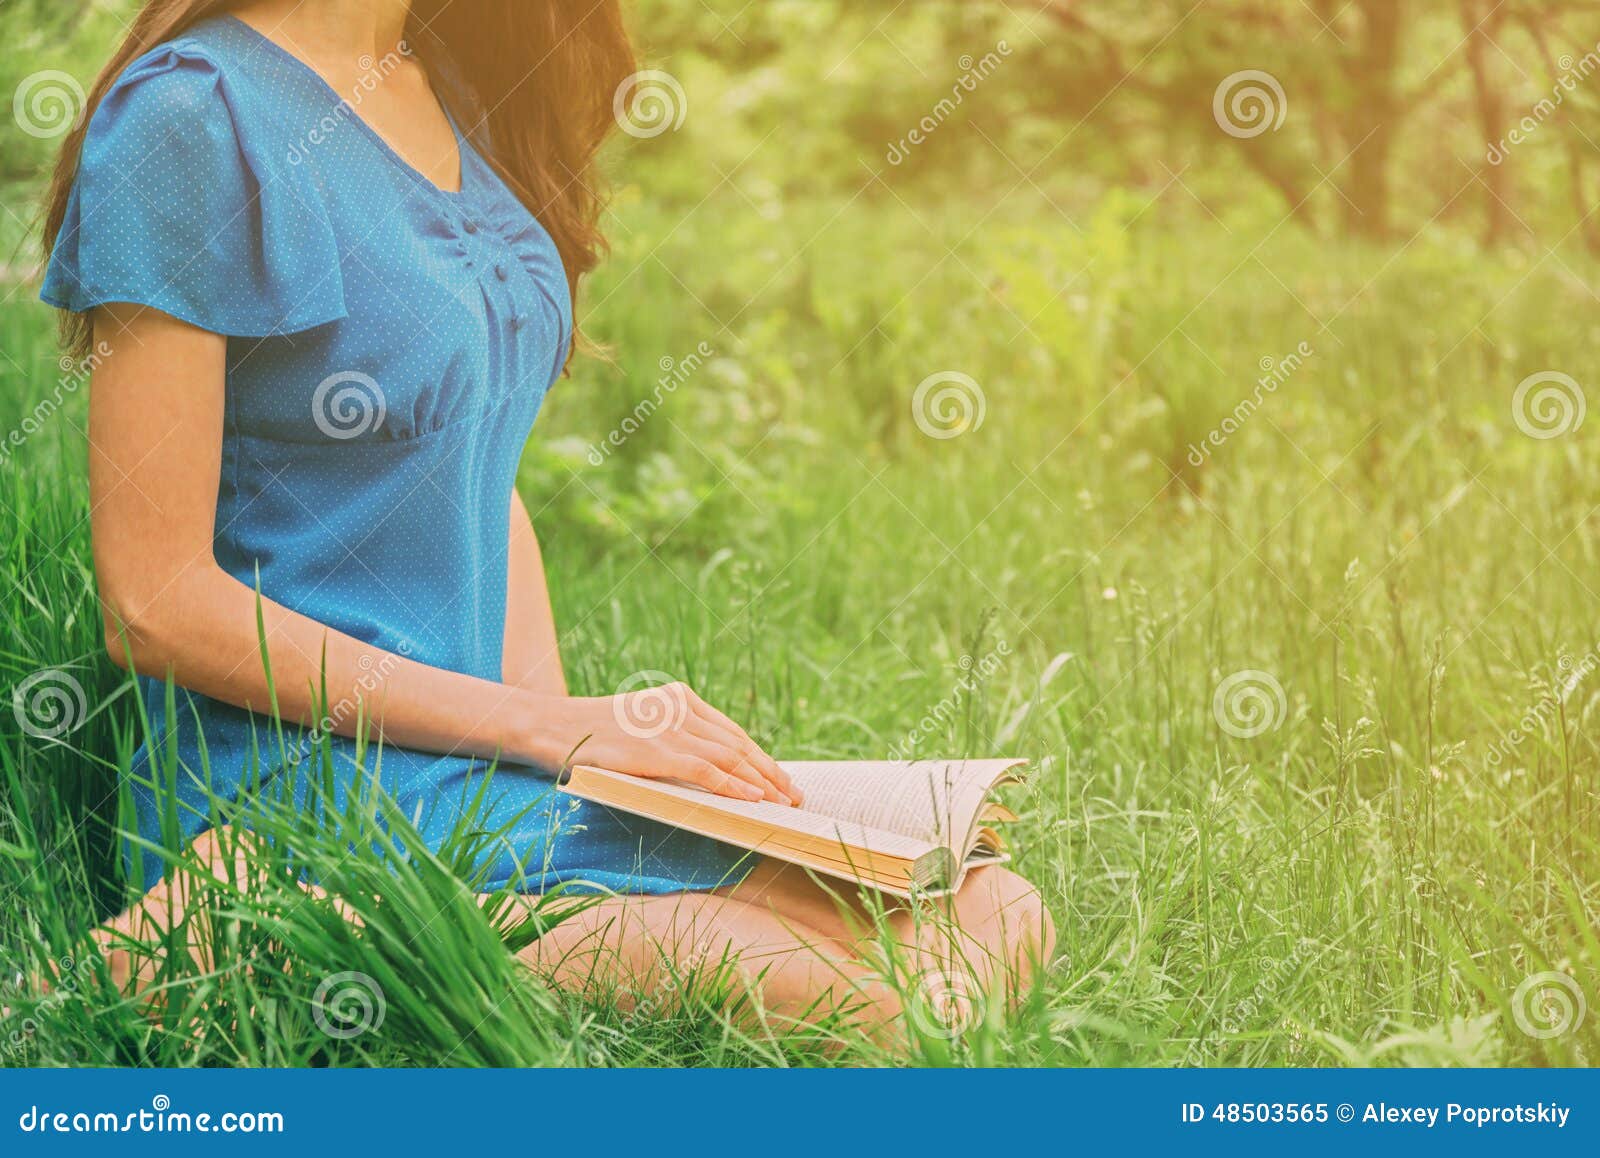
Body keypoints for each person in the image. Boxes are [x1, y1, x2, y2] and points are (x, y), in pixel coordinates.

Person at [40, 0, 1053, 1036]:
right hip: (297, 787)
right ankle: (267, 929)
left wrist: (572, 756)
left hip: (473, 773)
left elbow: (476, 468)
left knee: (997, 912)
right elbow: (153, 603)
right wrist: (549, 730)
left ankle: (328, 943)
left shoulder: (458, 79)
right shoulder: (189, 119)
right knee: (859, 995)